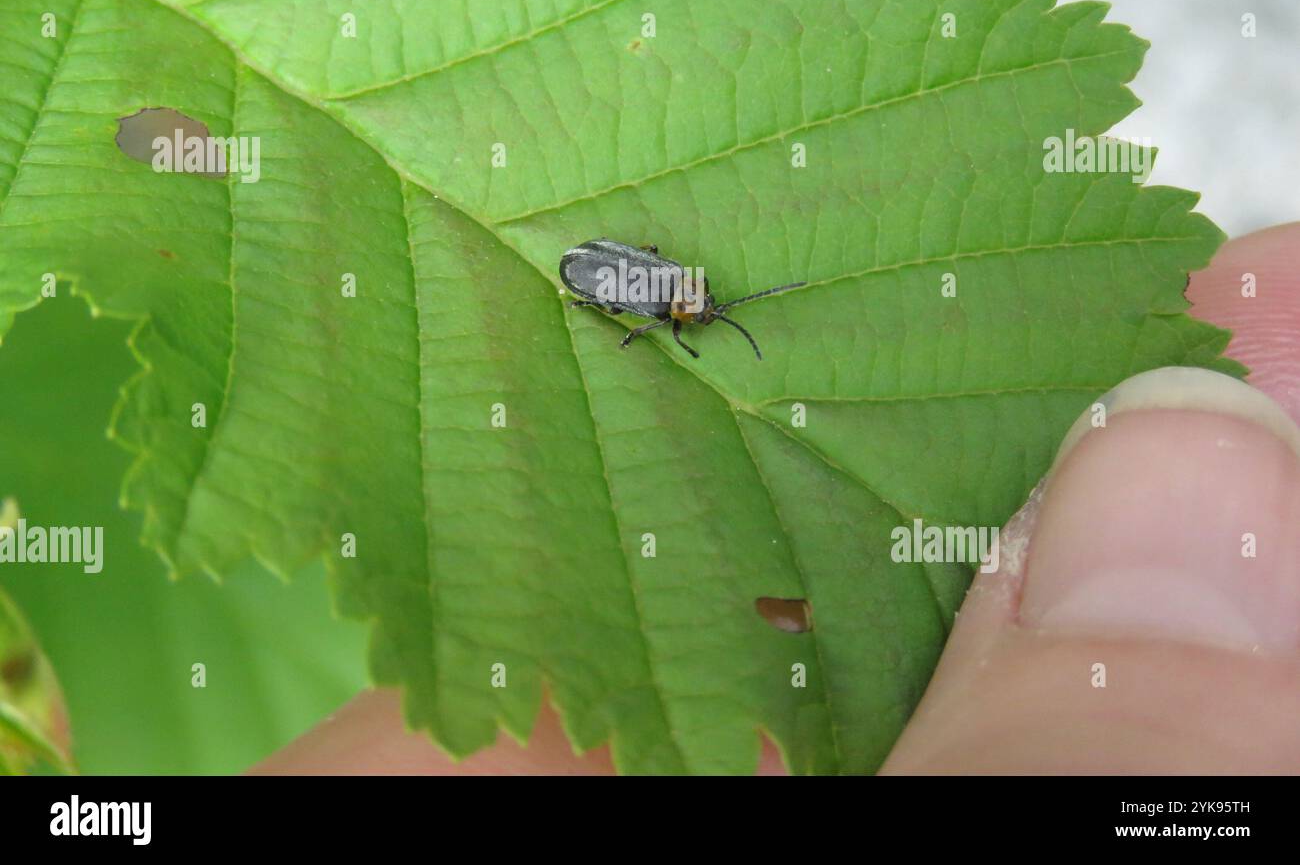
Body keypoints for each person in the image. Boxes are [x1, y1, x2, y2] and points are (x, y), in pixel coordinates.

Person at [253, 224, 1300, 775]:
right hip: (605, 273)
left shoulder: (668, 298)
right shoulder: (664, 298)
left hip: (608, 274)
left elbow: (613, 277)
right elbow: (606, 274)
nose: (702, 315)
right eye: (700, 310)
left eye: (702, 311)